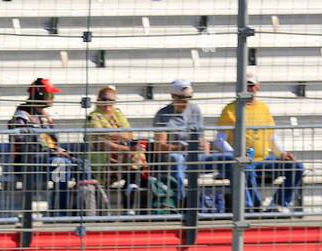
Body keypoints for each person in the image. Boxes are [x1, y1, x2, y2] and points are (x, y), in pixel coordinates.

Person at [214, 72, 304, 212]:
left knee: (296, 167)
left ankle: (278, 204)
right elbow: (220, 141)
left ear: (257, 87)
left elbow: (271, 136)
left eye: (250, 86)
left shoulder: (263, 108)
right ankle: (255, 208)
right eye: (244, 86)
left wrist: (282, 153)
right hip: (243, 161)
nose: (248, 89)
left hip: (264, 159)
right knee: (246, 168)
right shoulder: (230, 109)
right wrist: (235, 155)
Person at [9, 77, 77, 212]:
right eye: (49, 94)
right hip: (29, 163)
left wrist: (61, 151)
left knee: (81, 165)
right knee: (61, 164)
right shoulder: (22, 115)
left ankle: (85, 209)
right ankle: (59, 211)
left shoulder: (46, 116)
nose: (52, 97)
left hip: (47, 160)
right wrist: (53, 151)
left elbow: (53, 142)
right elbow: (23, 142)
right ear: (39, 95)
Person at [152, 79, 209, 208]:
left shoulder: (195, 110)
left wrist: (204, 149)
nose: (186, 102)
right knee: (176, 158)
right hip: (176, 158)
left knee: (228, 158)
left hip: (195, 157)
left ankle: (247, 205)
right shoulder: (163, 115)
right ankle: (183, 204)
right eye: (183, 98)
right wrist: (182, 147)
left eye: (189, 98)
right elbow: (159, 146)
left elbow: (203, 139)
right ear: (173, 96)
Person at [87, 85, 144, 211]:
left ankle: (129, 206)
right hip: (102, 159)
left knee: (138, 156)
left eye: (111, 101)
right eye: (104, 100)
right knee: (127, 155)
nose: (108, 104)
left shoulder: (117, 113)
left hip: (121, 156)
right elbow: (101, 142)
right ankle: (102, 212)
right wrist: (121, 139)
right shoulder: (93, 116)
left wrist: (112, 134)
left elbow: (130, 134)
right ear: (98, 100)